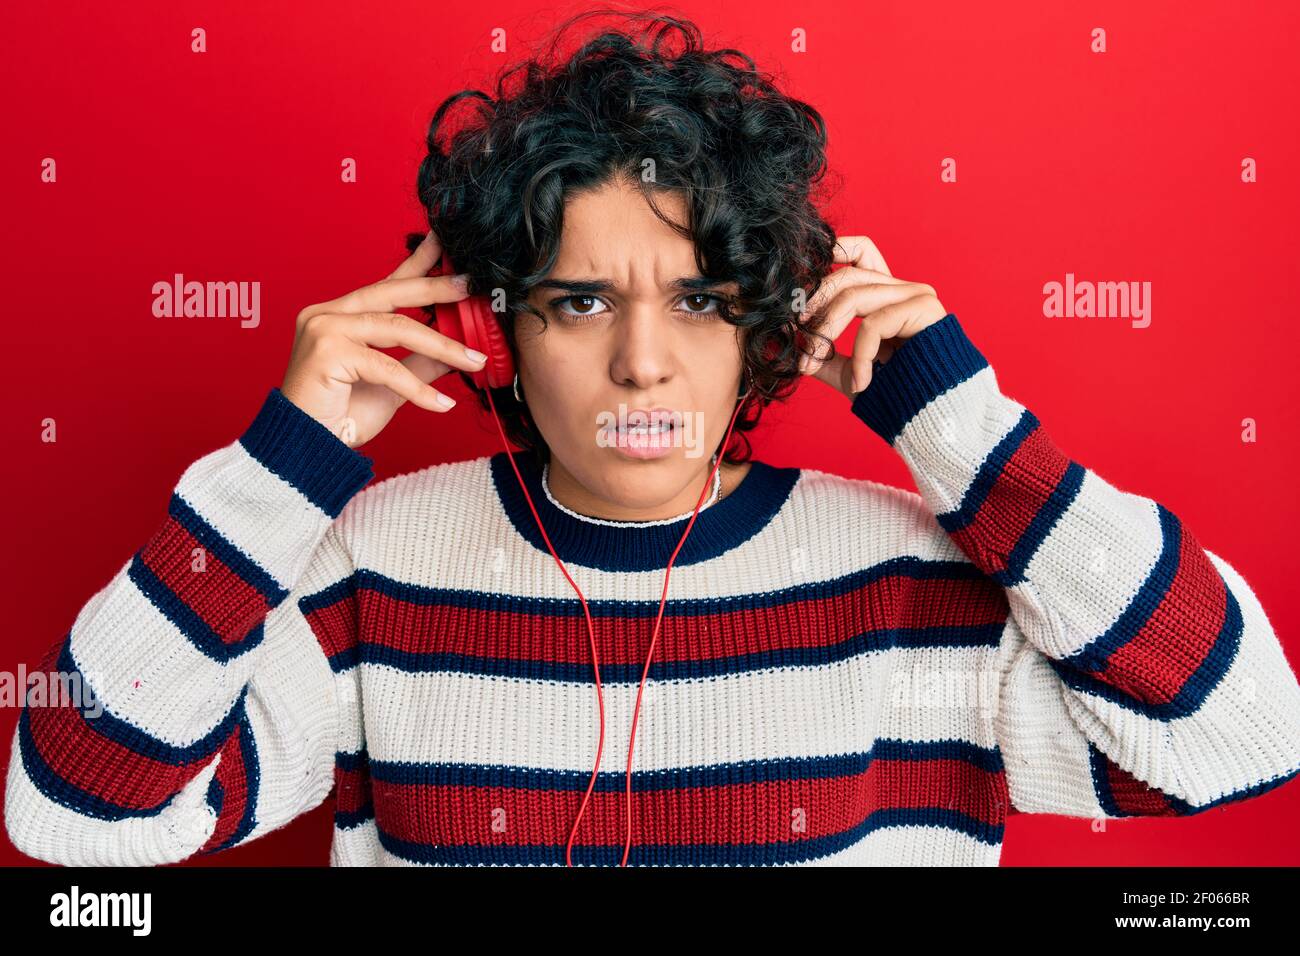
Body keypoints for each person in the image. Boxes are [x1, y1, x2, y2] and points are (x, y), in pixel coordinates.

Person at [7, 10, 1300, 867]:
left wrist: (962, 427)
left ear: (764, 326)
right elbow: (75, 824)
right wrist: (279, 474)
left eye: (696, 300)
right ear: (500, 325)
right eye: (580, 301)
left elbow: (1239, 740)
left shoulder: (915, 589)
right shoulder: (372, 568)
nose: (641, 359)